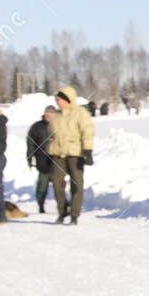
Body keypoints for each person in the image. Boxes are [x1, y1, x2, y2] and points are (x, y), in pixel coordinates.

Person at [47, 85, 96, 225]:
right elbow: (50, 137)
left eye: (60, 99)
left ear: (68, 99)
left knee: (77, 184)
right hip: (58, 154)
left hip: (76, 154)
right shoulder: (55, 116)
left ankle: (74, 214)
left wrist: (88, 151)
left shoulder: (80, 113)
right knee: (57, 184)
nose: (57, 102)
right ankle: (62, 212)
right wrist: (47, 154)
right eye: (56, 99)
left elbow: (88, 132)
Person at [27, 104, 59, 214]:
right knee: (42, 185)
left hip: (57, 160)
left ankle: (62, 206)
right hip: (42, 160)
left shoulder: (61, 126)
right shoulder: (36, 127)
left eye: (50, 114)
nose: (48, 116)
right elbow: (30, 143)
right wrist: (30, 157)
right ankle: (41, 205)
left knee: (59, 184)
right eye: (46, 114)